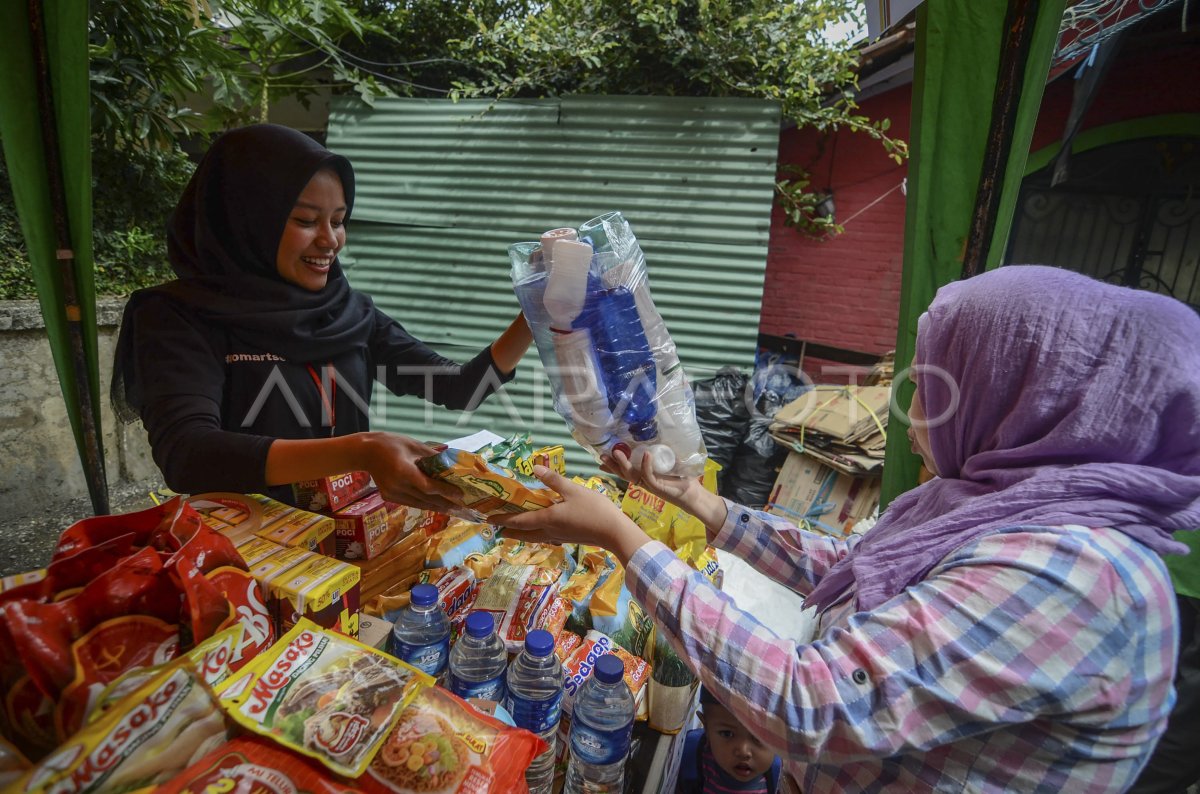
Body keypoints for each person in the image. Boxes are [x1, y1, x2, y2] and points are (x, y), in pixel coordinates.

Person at [501, 265, 1200, 791]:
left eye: (933, 380)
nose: (911, 406)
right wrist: (698, 503)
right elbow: (855, 566)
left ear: (1026, 398)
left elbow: (812, 701)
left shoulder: (1073, 576)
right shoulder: (995, 505)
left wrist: (624, 538)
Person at [112, 124, 532, 510]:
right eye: (306, 221)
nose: (330, 240)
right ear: (247, 219)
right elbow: (189, 454)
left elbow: (462, 388)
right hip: (247, 550)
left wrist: (536, 310)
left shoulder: (348, 313)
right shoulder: (177, 317)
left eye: (338, 221)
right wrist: (361, 450)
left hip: (349, 538)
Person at [677, 686, 780, 794]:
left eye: (759, 737)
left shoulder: (774, 772)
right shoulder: (692, 756)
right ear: (706, 727)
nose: (743, 752)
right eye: (727, 734)